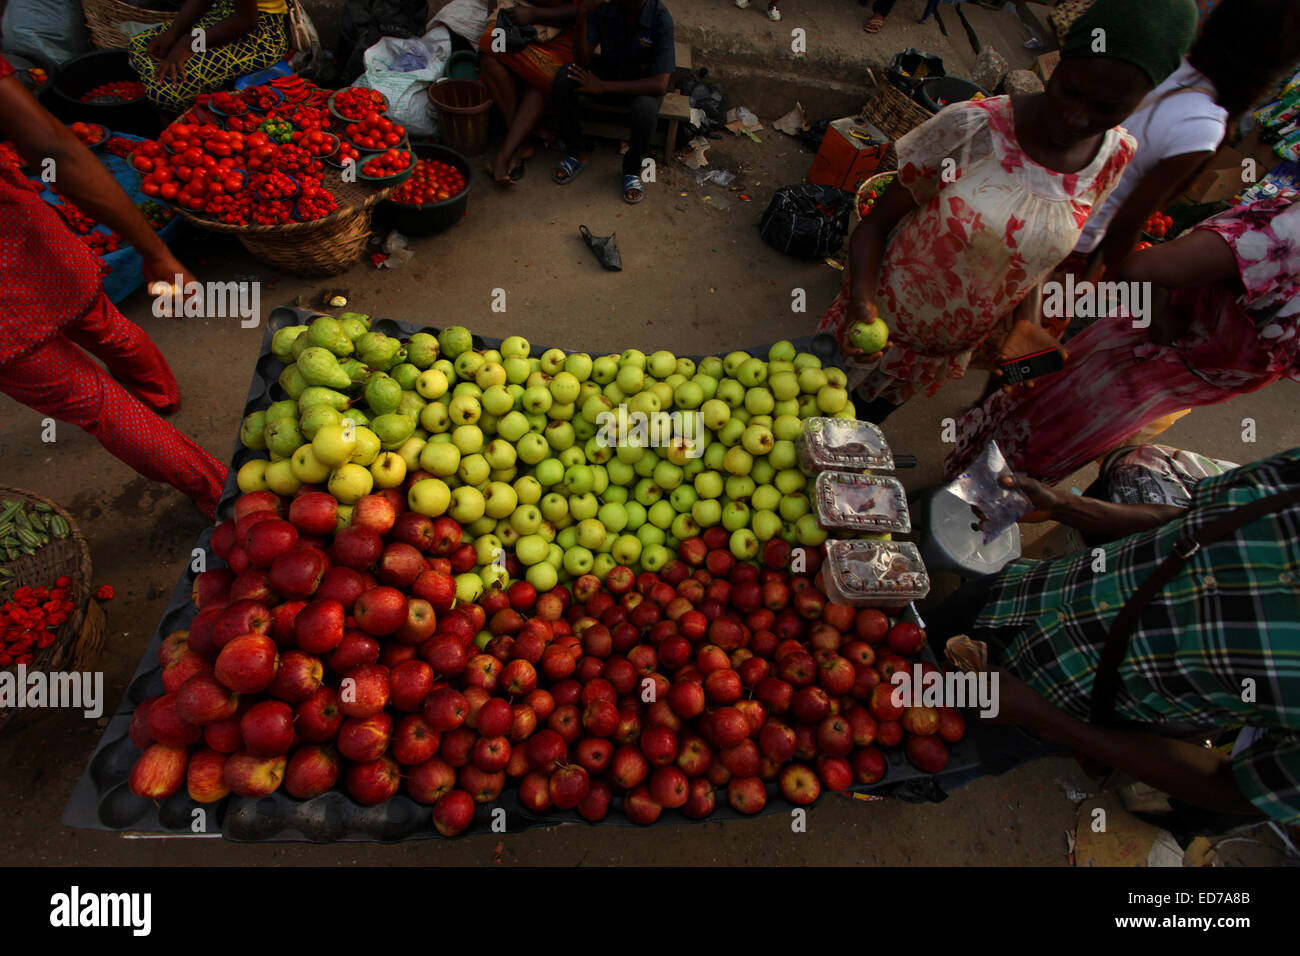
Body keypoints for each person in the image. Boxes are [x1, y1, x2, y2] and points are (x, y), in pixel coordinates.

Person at [817, 0, 1198, 422]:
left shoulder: (1114, 157)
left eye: (1107, 110)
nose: (1075, 118)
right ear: (1057, 63)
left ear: (1141, 103)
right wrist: (861, 303)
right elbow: (875, 225)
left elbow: (1034, 257)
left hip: (934, 356)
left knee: (860, 428)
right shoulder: (974, 128)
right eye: (1070, 91)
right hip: (870, 326)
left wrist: (1027, 323)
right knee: (808, 410)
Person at [923, 450, 1300, 825]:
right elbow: (1191, 519)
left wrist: (1047, 720)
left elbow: (1236, 791)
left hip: (1042, 705)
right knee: (906, 648)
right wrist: (1066, 506)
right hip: (1018, 595)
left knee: (915, 751)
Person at [0, 58, 228, 519]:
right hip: (34, 243)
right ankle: (161, 394)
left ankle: (217, 491)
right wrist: (155, 252)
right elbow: (54, 150)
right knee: (105, 324)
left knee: (97, 403)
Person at [944, 195, 1300, 485]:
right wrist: (1162, 321)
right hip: (1118, 374)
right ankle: (948, 502)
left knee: (1024, 467)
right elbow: (1139, 268)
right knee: (1012, 449)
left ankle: (960, 506)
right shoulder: (1290, 232)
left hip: (1155, 397)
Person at [1066, 0, 1300, 286]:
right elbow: (1127, 222)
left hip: (1056, 203)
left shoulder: (1169, 65)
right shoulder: (1203, 126)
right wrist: (1117, 281)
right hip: (1073, 240)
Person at [551, 0, 675, 204]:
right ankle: (577, 151)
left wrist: (604, 86)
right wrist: (581, 16)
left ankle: (632, 169)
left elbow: (659, 84)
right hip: (610, 72)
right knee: (566, 76)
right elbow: (582, 60)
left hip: (641, 85)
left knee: (645, 109)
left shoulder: (660, 18)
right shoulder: (606, 7)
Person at [478, 1, 580, 185]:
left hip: (561, 28)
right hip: (515, 11)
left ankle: (505, 154)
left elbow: (581, 9)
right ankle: (520, 144)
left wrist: (534, 14)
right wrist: (497, 12)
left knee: (546, 78)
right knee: (490, 50)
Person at [127, 0, 289, 114]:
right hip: (226, 14)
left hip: (258, 34)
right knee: (140, 45)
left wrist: (188, 43)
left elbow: (246, 21)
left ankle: (193, 124)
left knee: (165, 93)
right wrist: (173, 33)